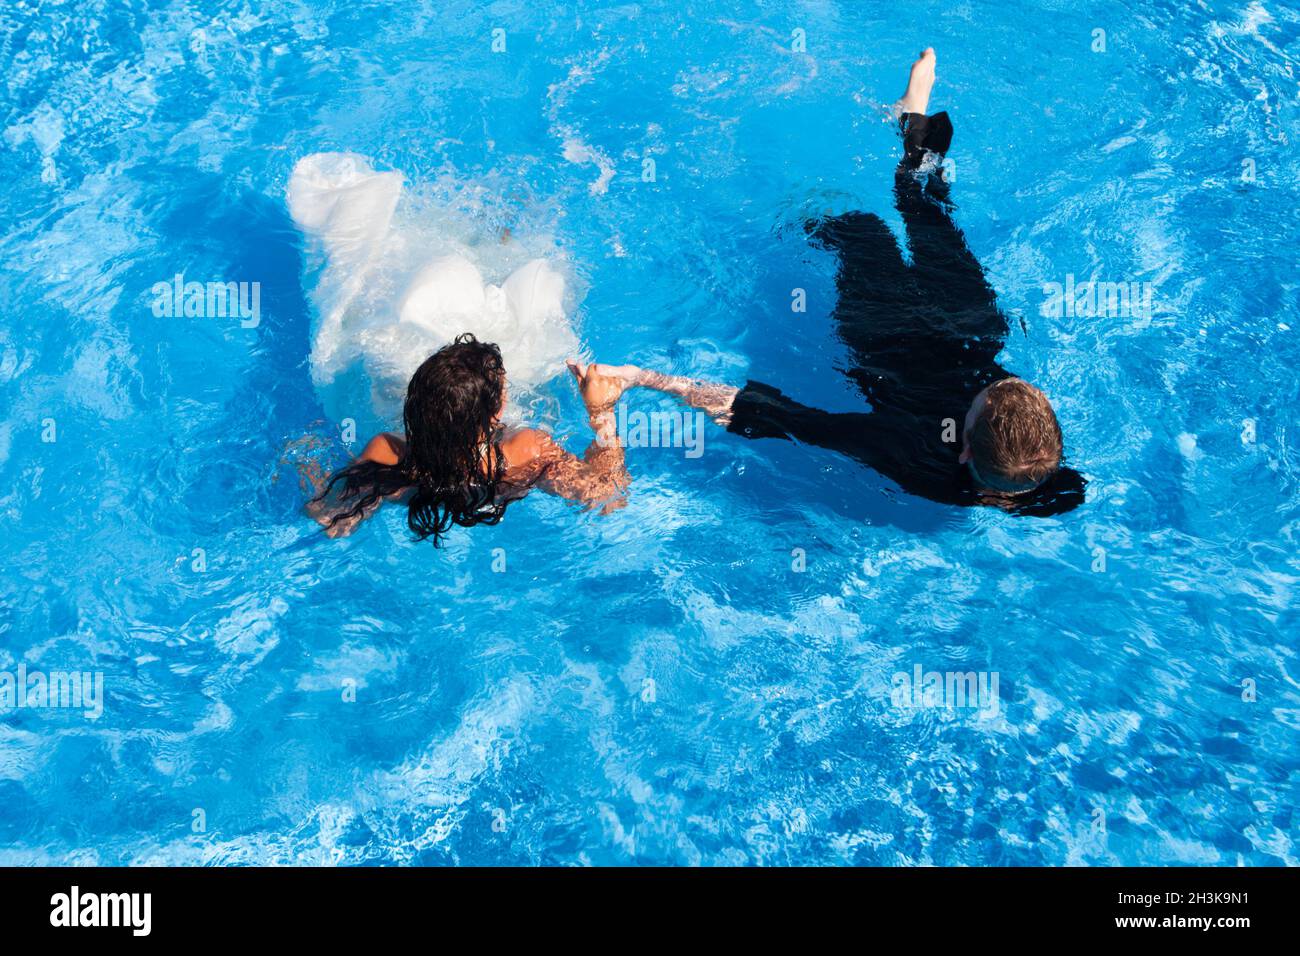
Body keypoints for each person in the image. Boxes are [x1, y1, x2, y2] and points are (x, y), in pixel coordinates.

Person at [629, 48, 1085, 517]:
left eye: (983, 399)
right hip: (971, 328)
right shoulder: (1053, 480)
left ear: (963, 450)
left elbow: (788, 420)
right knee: (924, 210)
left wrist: (645, 379)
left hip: (889, 340)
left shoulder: (909, 453)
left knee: (864, 228)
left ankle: (779, 210)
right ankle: (912, 120)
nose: (999, 383)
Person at [307, 334, 634, 543]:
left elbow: (329, 518)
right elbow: (608, 497)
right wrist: (601, 413)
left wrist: (306, 462)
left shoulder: (387, 453)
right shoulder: (526, 451)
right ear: (495, 413)